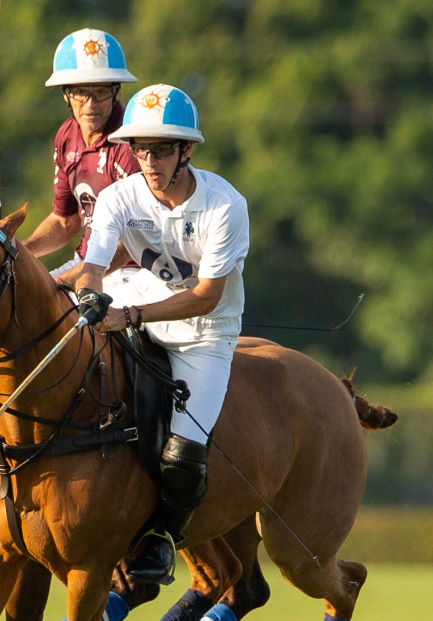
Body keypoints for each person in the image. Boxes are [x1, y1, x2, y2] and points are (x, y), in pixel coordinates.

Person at [73, 84, 250, 584]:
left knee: (184, 451)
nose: (149, 161)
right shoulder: (116, 198)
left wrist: (128, 318)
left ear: (186, 151)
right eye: (141, 149)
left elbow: (207, 296)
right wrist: (89, 295)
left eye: (163, 149)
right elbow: (93, 266)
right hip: (140, 300)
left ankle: (161, 542)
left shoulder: (224, 206)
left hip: (206, 332)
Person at [22, 28, 141, 287]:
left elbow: (137, 238)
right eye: (79, 92)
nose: (90, 104)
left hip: (135, 271)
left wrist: (66, 283)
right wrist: (18, 253)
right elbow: (65, 221)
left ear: (116, 91)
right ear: (66, 94)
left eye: (100, 92)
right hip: (85, 261)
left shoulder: (132, 143)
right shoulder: (67, 135)